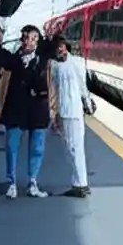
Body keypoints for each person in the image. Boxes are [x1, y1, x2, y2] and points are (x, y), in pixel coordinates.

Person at [0, 25, 51, 199]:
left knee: (37, 148)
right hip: (15, 108)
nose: (30, 42)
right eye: (27, 38)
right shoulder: (11, 61)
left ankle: (33, 182)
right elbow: (3, 85)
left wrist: (53, 110)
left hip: (38, 109)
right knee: (11, 147)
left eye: (34, 39)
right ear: (22, 40)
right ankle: (11, 183)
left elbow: (52, 86)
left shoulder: (44, 62)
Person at [48, 35, 92, 198]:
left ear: (66, 46)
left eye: (62, 46)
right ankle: (80, 182)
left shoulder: (77, 63)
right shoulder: (54, 66)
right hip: (64, 110)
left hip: (74, 110)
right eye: (57, 47)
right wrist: (54, 113)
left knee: (75, 147)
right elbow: (53, 90)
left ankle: (80, 184)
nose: (60, 49)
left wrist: (87, 102)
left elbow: (83, 86)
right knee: (71, 148)